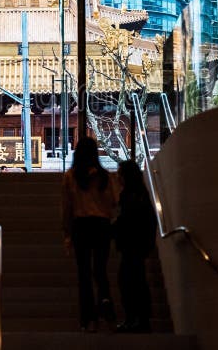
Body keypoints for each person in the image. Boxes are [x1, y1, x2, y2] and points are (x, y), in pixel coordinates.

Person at [61, 136, 119, 332]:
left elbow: (67, 208)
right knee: (100, 270)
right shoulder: (106, 177)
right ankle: (105, 305)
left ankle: (88, 319)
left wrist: (67, 233)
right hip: (102, 226)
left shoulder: (71, 177)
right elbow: (114, 202)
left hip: (81, 226)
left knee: (84, 273)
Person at [113, 160, 157, 333]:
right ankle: (141, 320)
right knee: (137, 281)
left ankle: (134, 319)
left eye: (119, 173)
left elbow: (127, 220)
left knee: (128, 281)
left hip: (131, 245)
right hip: (139, 244)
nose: (117, 176)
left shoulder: (129, 195)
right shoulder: (141, 193)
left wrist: (113, 227)